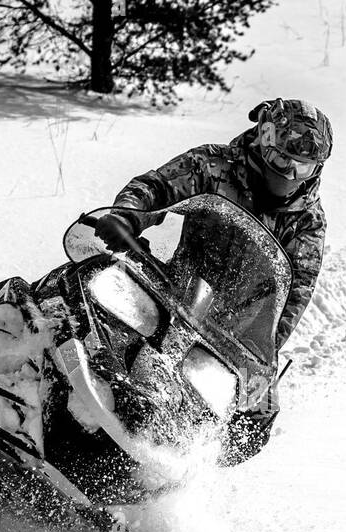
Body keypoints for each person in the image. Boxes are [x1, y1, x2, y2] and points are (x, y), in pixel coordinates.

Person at [94, 97, 332, 351]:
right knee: (104, 331)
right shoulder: (213, 165)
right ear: (265, 141)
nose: (290, 175)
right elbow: (158, 187)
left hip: (232, 341)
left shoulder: (308, 221)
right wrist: (127, 216)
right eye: (283, 161)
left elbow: (297, 290)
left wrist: (264, 351)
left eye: (303, 169)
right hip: (171, 297)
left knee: (255, 390)